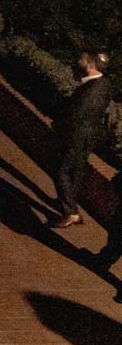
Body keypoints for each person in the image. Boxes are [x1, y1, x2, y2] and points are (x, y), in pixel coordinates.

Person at [51, 50, 112, 228]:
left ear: (91, 65)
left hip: (77, 137)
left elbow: (76, 115)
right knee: (75, 171)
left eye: (83, 60)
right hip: (87, 137)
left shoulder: (90, 90)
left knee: (60, 170)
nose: (80, 62)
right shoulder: (104, 84)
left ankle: (70, 212)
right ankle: (68, 200)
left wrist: (59, 127)